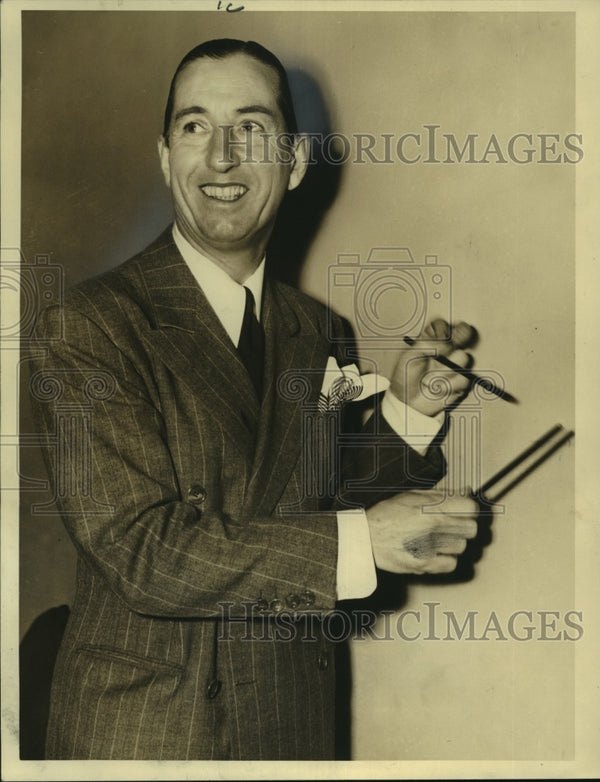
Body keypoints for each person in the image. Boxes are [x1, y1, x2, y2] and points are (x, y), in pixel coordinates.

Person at [31, 39, 481, 761]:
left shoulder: (316, 329)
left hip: (289, 725)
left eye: (250, 127)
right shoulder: (88, 325)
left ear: (294, 162)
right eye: (194, 126)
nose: (221, 158)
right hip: (148, 739)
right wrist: (367, 541)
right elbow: (145, 553)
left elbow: (303, 503)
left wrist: (407, 410)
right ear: (164, 156)